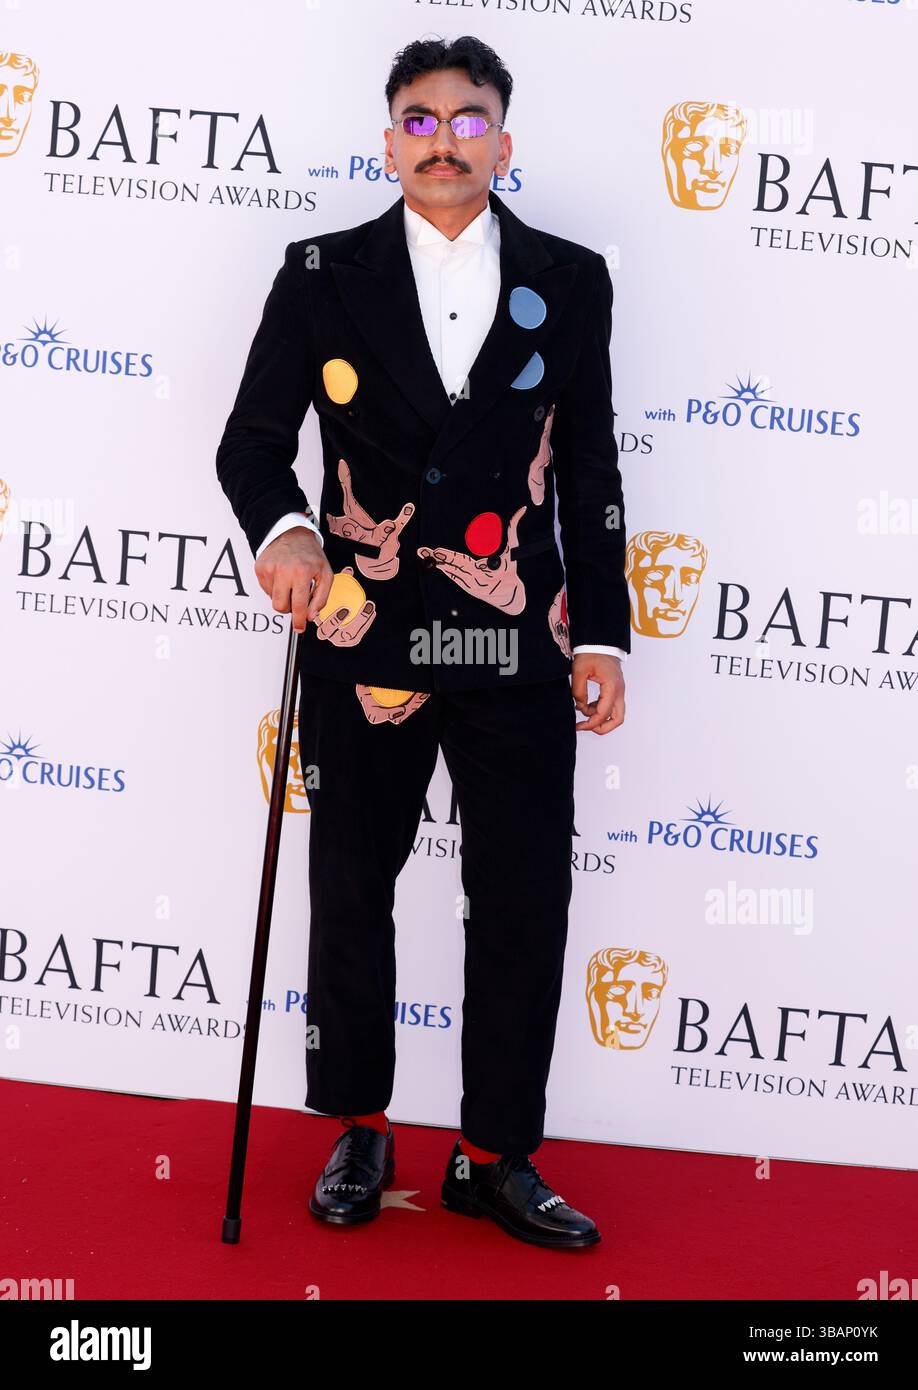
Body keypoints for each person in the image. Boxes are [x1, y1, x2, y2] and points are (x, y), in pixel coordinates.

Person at [216, 34, 630, 1250]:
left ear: (504, 139)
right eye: (418, 117)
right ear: (387, 137)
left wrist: (602, 631)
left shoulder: (575, 275)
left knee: (520, 897)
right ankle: (359, 1122)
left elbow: (592, 465)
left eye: (468, 117)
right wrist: (288, 528)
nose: (442, 138)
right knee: (352, 884)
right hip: (366, 636)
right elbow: (251, 442)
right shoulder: (317, 272)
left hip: (517, 643)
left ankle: (495, 1154)